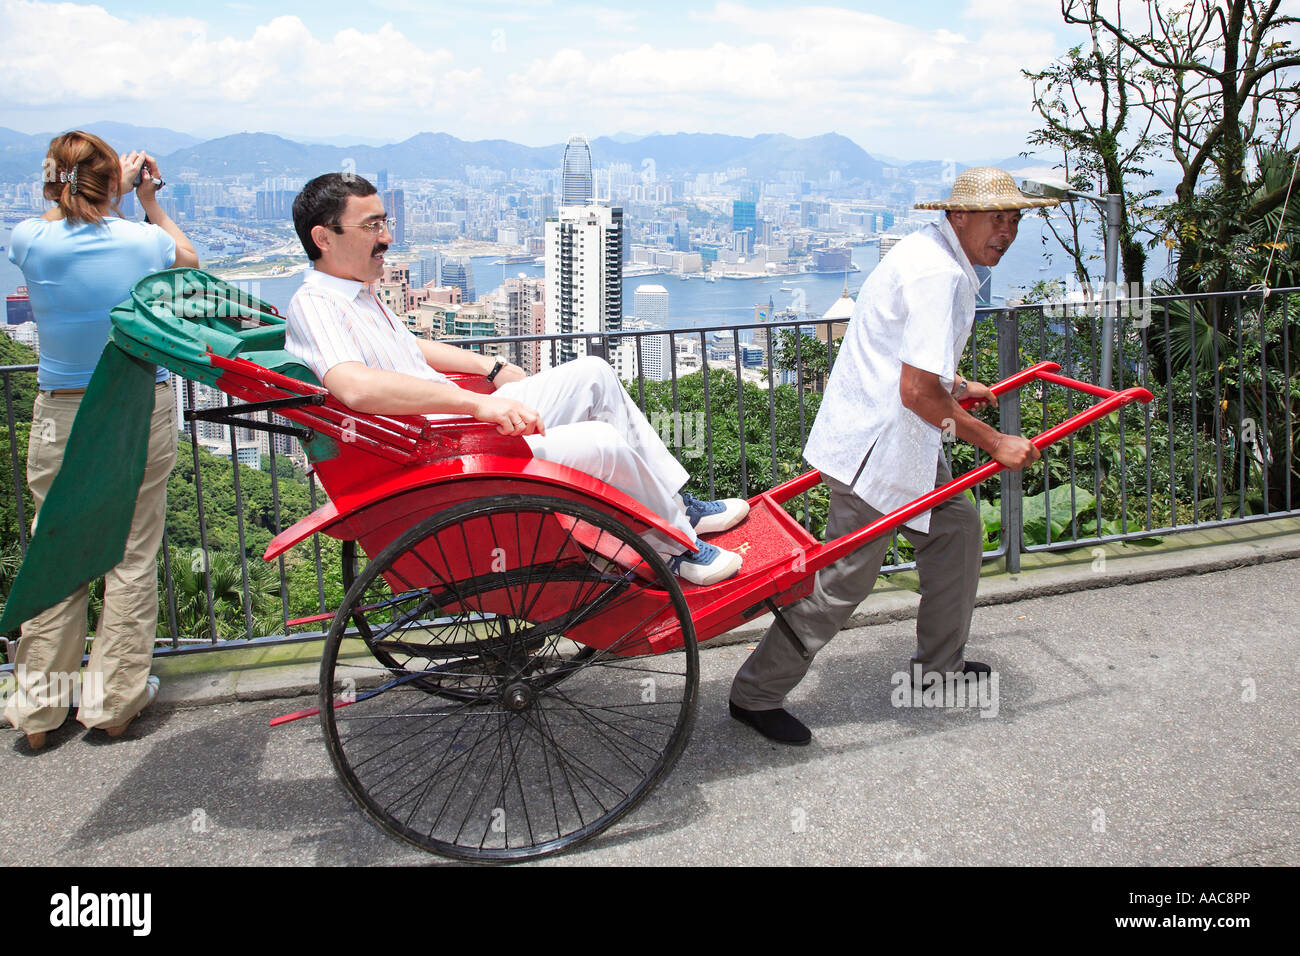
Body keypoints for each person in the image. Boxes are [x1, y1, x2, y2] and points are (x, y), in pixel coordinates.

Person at [284, 172, 747, 586]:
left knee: (594, 374)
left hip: (455, 426)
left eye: (385, 222)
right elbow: (355, 386)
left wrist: (488, 368)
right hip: (445, 448)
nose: (384, 237)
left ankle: (676, 507)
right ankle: (676, 548)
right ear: (323, 237)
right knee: (602, 442)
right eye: (370, 226)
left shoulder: (357, 294)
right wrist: (480, 404)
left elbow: (407, 348)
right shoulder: (317, 303)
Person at [728, 167, 1053, 745]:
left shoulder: (928, 252)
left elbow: (906, 360)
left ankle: (938, 671)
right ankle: (756, 692)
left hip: (901, 438)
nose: (1006, 230)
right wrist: (995, 441)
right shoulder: (939, 275)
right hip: (879, 448)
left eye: (1015, 218)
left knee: (957, 533)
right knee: (843, 581)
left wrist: (954, 383)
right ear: (958, 217)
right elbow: (914, 392)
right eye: (995, 217)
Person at [3, 132, 198, 751]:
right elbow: (188, 263)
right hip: (138, 405)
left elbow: (59, 214)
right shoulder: (145, 241)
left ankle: (38, 711)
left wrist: (99, 186)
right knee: (132, 555)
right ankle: (112, 704)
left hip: (61, 412)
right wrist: (147, 199)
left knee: (56, 551)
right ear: (113, 180)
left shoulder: (30, 239)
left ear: (54, 181)